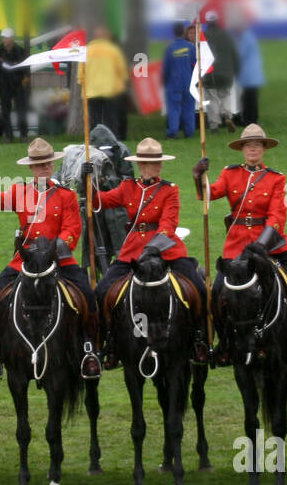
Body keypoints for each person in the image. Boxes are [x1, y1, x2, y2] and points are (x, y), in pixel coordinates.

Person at [0, 138, 102, 380]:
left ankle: (89, 350)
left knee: (87, 295)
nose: (45, 167)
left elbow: (72, 231)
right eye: (40, 164)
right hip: (24, 260)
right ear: (30, 168)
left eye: (48, 163)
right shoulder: (19, 191)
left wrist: (51, 252)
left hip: (58, 258)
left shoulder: (65, 195)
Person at [192, 123, 287, 364]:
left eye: (257, 145)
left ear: (263, 149)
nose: (252, 149)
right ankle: (225, 343)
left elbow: (277, 215)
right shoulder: (230, 173)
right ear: (242, 149)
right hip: (236, 245)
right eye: (248, 145)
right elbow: (208, 193)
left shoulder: (276, 178)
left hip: (270, 244)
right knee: (218, 290)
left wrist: (261, 245)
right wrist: (199, 175)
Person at [86, 137, 209, 367]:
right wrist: (89, 181)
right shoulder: (128, 187)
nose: (158, 165)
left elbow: (168, 224)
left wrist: (152, 249)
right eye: (153, 162)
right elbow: (98, 202)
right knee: (102, 290)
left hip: (165, 248)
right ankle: (109, 344)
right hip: (132, 250)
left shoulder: (169, 190)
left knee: (198, 287)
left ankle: (199, 339)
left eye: (159, 161)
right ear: (141, 165)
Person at [80, 24, 129, 141]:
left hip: (91, 90)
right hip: (110, 89)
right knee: (110, 119)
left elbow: (80, 72)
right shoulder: (113, 50)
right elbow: (122, 71)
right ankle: (112, 141)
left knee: (94, 119)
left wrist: (82, 84)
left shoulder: (87, 50)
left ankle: (94, 140)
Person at [200, 10, 238, 134]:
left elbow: (198, 55)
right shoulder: (227, 36)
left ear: (207, 21)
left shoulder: (202, 36)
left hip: (209, 74)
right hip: (226, 73)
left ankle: (214, 125)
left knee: (212, 99)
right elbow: (234, 54)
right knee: (225, 95)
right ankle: (227, 116)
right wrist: (236, 69)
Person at [161, 21, 196, 140]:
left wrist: (164, 81)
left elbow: (165, 68)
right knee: (189, 108)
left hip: (173, 83)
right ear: (183, 32)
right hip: (188, 82)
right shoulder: (190, 47)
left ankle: (172, 132)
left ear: (173, 32)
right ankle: (189, 132)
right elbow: (194, 64)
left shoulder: (169, 48)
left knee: (173, 108)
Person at [0, 27, 30, 142]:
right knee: (5, 110)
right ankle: (8, 135)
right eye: (3, 38)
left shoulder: (19, 50)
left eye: (6, 38)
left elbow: (25, 66)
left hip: (17, 83)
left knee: (21, 109)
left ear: (11, 39)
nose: (4, 40)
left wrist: (25, 78)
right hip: (4, 84)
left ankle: (23, 134)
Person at [233, 18, 265, 127]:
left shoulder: (245, 38)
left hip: (249, 75)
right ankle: (251, 118)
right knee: (250, 97)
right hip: (252, 74)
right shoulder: (247, 36)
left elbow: (240, 54)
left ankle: (249, 120)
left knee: (248, 98)